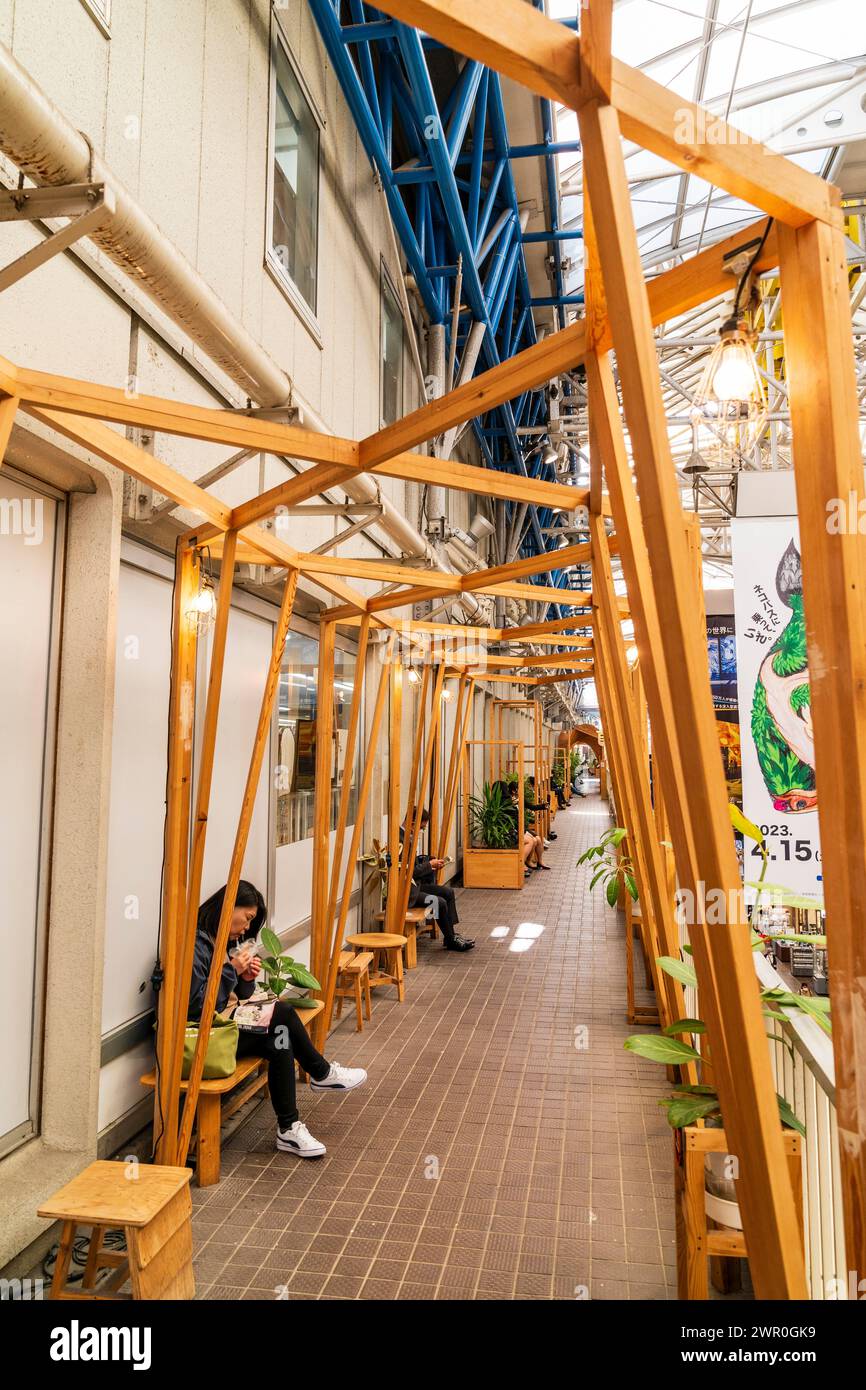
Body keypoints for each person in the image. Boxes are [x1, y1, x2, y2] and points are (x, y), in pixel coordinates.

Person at [189, 881, 367, 1159]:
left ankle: (289, 1129)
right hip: (201, 1039)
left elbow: (235, 993)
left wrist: (245, 978)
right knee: (281, 1013)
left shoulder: (222, 941)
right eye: (247, 918)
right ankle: (320, 1073)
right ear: (227, 907)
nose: (247, 928)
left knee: (280, 1040)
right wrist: (232, 970)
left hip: (219, 1029)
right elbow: (196, 1006)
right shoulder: (195, 942)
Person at [400, 811, 475, 951]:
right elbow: (407, 871)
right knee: (438, 902)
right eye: (422, 828)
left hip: (416, 885)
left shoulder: (407, 837)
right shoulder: (400, 840)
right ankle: (451, 938)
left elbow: (414, 867)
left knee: (447, 892)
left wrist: (429, 862)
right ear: (412, 824)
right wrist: (429, 865)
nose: (422, 831)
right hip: (407, 891)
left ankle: (450, 935)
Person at [493, 780, 549, 877]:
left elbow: (530, 807)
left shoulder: (509, 801)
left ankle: (538, 862)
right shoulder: (505, 802)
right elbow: (513, 820)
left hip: (517, 829)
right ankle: (520, 864)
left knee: (537, 839)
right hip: (510, 832)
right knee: (532, 841)